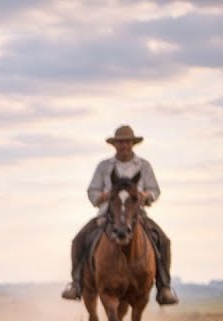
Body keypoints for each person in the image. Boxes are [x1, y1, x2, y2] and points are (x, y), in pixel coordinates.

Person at [61, 125, 179, 305]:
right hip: (107, 215)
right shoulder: (104, 166)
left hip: (137, 216)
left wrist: (145, 195)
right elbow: (92, 191)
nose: (124, 145)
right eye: (120, 142)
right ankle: (76, 283)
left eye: (127, 142)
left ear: (133, 144)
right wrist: (104, 196)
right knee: (79, 240)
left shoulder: (144, 166)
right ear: (114, 145)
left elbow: (154, 190)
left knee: (164, 241)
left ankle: (164, 287)